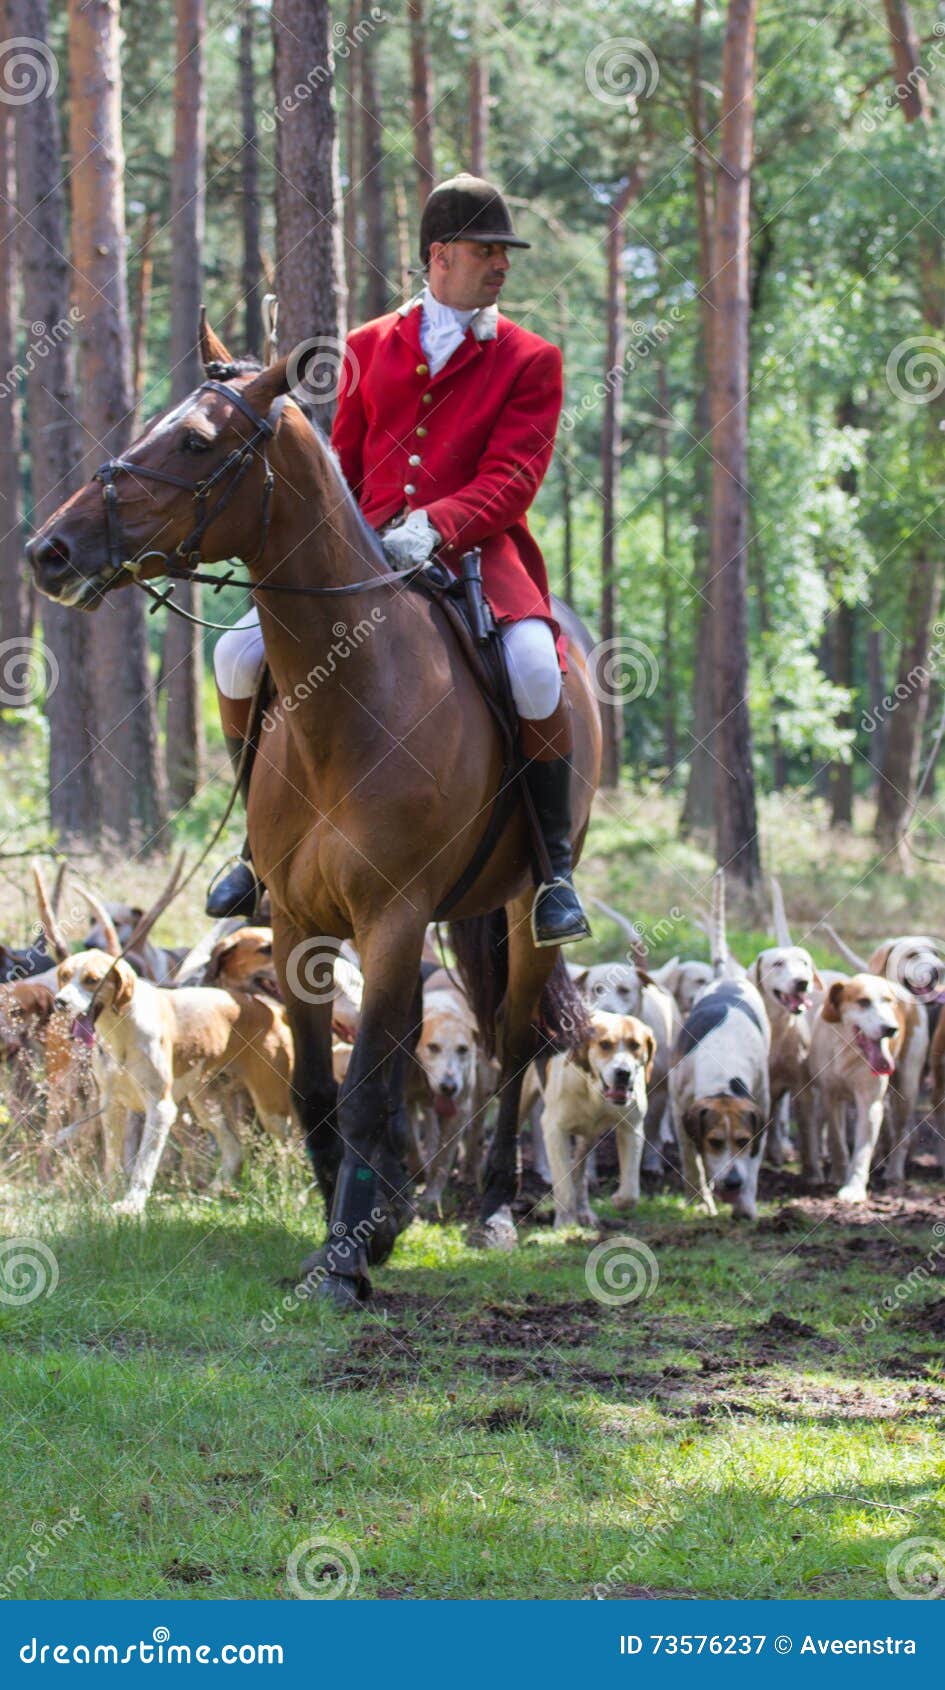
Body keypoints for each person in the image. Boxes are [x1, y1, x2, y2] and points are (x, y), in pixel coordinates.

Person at [205, 172, 590, 947]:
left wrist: (437, 525)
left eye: (504, 253)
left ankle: (551, 870)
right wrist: (335, 538)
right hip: (361, 546)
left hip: (478, 551)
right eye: (487, 251)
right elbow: (339, 462)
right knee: (236, 653)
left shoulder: (530, 358)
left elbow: (514, 475)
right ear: (439, 254)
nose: (501, 265)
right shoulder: (367, 344)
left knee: (537, 668)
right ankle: (257, 848)